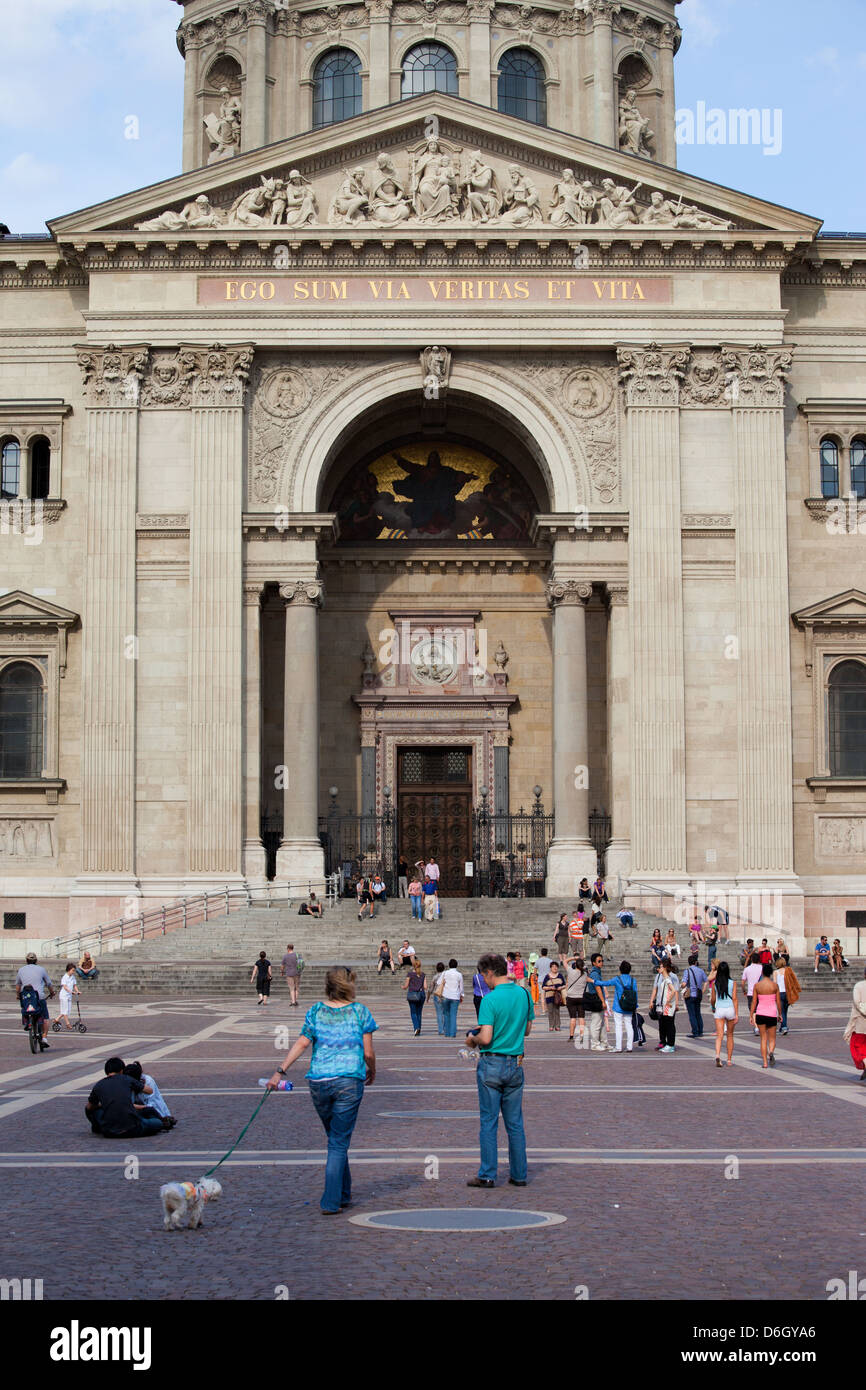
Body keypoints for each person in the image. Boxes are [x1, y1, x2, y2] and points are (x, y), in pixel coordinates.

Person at [267, 967, 378, 1214]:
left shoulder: (316, 1010)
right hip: (349, 1080)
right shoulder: (360, 1011)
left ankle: (344, 1193)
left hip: (319, 1081)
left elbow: (302, 1042)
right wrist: (372, 1069)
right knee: (338, 1141)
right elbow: (368, 1052)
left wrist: (280, 1071)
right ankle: (330, 1201)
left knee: (336, 1138)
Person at [465, 952, 534, 1189]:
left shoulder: (489, 1000)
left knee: (489, 1121)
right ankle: (519, 1174)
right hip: (515, 1063)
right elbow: (527, 1031)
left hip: (492, 1063)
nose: (484, 981)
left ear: (490, 973)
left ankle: (487, 1174)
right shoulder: (524, 994)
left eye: (484, 976)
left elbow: (486, 1036)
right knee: (515, 1122)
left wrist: (471, 1039)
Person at [86, 1057, 168, 1137]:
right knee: (157, 1122)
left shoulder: (99, 1085)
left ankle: (98, 1127)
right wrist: (136, 1085)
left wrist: (104, 1103)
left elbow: (89, 1107)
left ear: (106, 1071)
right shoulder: (127, 1079)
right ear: (122, 1070)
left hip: (109, 1131)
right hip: (133, 1129)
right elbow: (149, 1090)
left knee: (94, 1111)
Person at [596, 959, 639, 1053]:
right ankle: (629, 1047)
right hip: (630, 1006)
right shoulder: (633, 980)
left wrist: (594, 981)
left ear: (620, 969)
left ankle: (619, 1047)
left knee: (618, 1026)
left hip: (618, 1006)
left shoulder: (617, 979)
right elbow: (635, 993)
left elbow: (605, 983)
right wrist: (636, 1005)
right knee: (629, 1025)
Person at [15, 952, 54, 1051]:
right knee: (45, 1018)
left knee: (25, 1007)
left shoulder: (21, 970)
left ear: (26, 960)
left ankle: (27, 1022)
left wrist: (18, 995)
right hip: (39, 997)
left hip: (26, 997)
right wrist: (52, 993)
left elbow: (18, 985)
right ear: (36, 960)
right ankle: (44, 1038)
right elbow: (49, 983)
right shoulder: (41, 969)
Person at [123, 1061, 176, 1127]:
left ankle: (163, 1121)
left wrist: (140, 1107)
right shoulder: (125, 1083)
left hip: (152, 1110)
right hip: (138, 1110)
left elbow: (151, 1103)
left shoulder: (148, 1081)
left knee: (149, 1112)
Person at [751, 962, 782, 1069]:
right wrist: (780, 1014)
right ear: (771, 973)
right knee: (772, 1038)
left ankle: (764, 1063)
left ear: (762, 972)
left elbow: (754, 1002)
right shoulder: (774, 985)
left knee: (763, 1038)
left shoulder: (757, 985)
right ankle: (771, 1052)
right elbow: (778, 1002)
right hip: (772, 1013)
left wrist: (751, 1015)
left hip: (760, 1013)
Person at [711, 960, 739, 1067]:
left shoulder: (715, 984)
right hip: (730, 1008)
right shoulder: (733, 983)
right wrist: (736, 1014)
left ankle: (718, 1055)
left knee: (719, 1035)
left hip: (719, 1009)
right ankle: (729, 1060)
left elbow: (713, 999)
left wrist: (713, 1007)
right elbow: (735, 999)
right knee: (730, 1035)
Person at [650, 957, 679, 1052]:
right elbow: (656, 988)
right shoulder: (659, 976)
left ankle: (670, 1044)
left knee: (669, 1023)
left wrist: (672, 1003)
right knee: (662, 1023)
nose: (659, 968)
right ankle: (663, 1041)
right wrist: (652, 1000)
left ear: (665, 967)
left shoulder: (672, 977)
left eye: (661, 966)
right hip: (660, 1004)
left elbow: (675, 990)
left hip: (668, 1005)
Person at [843, 967, 866, 1082]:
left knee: (857, 1046)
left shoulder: (859, 986)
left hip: (860, 1021)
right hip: (861, 1021)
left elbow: (857, 1002)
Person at [584, 953, 610, 1052]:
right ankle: (595, 1043)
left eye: (602, 961)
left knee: (601, 1022)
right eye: (599, 961)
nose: (601, 963)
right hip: (596, 999)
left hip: (598, 998)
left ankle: (604, 1042)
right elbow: (598, 987)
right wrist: (603, 1001)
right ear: (594, 963)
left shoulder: (597, 972)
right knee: (596, 1022)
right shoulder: (595, 973)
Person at [773, 952, 800, 1035]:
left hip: (780, 993)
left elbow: (775, 984)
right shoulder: (788, 970)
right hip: (787, 992)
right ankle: (783, 1026)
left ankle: (784, 1027)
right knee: (785, 1011)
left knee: (781, 1011)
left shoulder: (776, 972)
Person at [682, 954, 708, 1038]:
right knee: (698, 1013)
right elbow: (706, 981)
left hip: (691, 994)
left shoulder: (687, 971)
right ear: (696, 962)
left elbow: (684, 983)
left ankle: (695, 1031)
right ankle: (700, 1031)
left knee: (692, 1014)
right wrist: (703, 990)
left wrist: (681, 986)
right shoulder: (701, 970)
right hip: (698, 994)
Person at [564, 956, 588, 1045]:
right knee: (581, 1017)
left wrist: (574, 957)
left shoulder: (571, 972)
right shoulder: (585, 974)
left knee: (572, 1017)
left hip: (571, 997)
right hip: (581, 997)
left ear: (575, 965)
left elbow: (564, 961)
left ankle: (571, 1036)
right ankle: (582, 1035)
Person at [402, 958, 427, 1036]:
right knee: (419, 1013)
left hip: (413, 994)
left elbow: (406, 986)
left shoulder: (410, 974)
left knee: (413, 1012)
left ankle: (416, 1028)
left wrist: (403, 987)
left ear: (413, 965)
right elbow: (425, 986)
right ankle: (419, 1028)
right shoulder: (423, 974)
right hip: (421, 994)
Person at [440, 958, 464, 1036]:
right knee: (453, 1015)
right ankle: (452, 1033)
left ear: (449, 965)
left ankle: (447, 1033)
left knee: (446, 1014)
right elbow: (461, 987)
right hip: (455, 996)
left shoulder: (445, 973)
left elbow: (438, 982)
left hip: (445, 995)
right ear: (456, 966)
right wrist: (461, 995)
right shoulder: (459, 974)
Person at [53, 962, 80, 1031]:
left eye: (74, 970)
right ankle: (68, 1024)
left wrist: (77, 991)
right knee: (65, 1010)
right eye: (72, 970)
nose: (73, 972)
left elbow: (74, 985)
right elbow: (64, 987)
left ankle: (56, 1019)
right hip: (64, 995)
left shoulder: (73, 977)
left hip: (69, 996)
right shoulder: (65, 977)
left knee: (67, 1011)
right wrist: (71, 992)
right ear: (69, 970)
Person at [741, 952, 764, 1034]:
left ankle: (756, 1027)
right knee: (760, 1009)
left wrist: (744, 990)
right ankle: (760, 1026)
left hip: (750, 992)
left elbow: (743, 982)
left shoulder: (747, 969)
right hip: (761, 992)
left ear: (751, 959)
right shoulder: (762, 968)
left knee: (753, 1010)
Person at [543, 961, 564, 1031]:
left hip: (557, 996)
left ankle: (557, 1026)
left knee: (557, 1011)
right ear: (550, 968)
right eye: (553, 967)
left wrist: (561, 987)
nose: (555, 968)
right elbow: (543, 987)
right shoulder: (547, 976)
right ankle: (551, 1025)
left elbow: (564, 985)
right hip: (549, 996)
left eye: (556, 966)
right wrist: (550, 988)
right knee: (550, 1011)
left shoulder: (560, 975)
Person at [430, 961, 448, 1033]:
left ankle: (441, 1030)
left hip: (437, 995)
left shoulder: (435, 977)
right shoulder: (446, 976)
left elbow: (431, 988)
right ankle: (445, 1028)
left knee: (439, 1013)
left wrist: (428, 996)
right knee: (445, 1012)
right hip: (445, 995)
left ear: (437, 969)